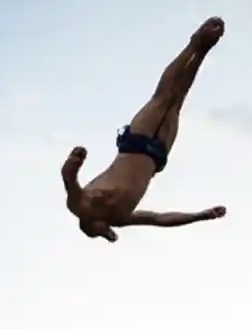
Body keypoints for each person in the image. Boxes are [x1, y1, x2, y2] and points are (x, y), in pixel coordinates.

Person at [62, 17, 228, 243]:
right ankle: (203, 51)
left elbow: (68, 177)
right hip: (157, 153)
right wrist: (200, 216)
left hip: (134, 142)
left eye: (101, 229)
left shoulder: (80, 204)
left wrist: (75, 159)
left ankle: (194, 43)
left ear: (89, 220)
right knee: (177, 100)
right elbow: (159, 219)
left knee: (164, 95)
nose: (108, 228)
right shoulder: (120, 218)